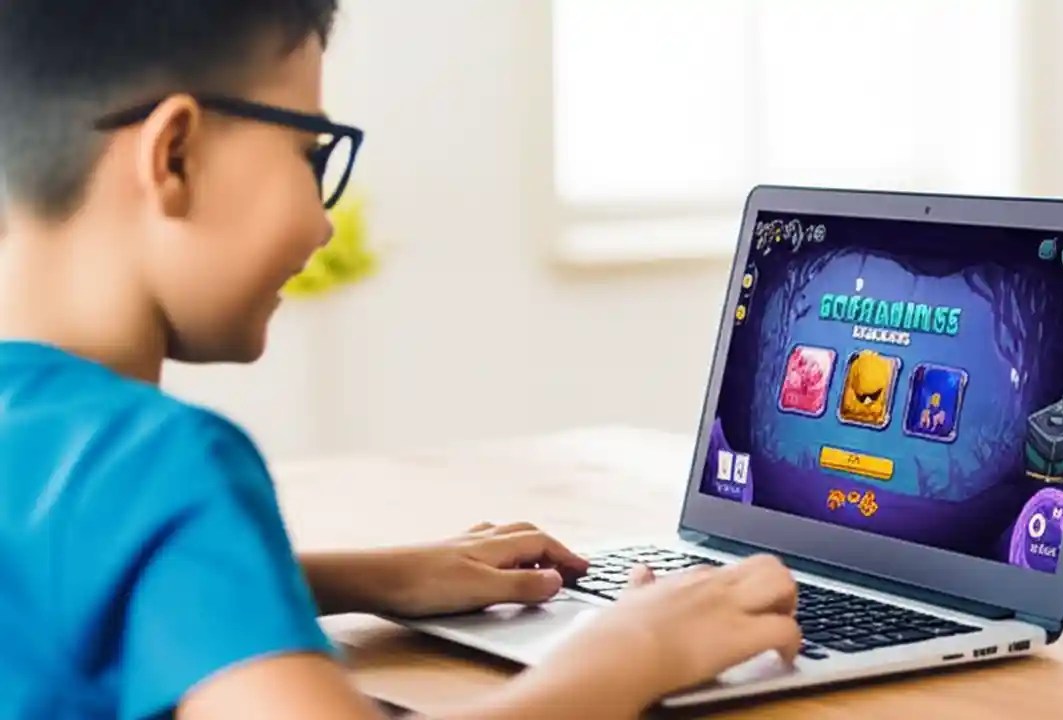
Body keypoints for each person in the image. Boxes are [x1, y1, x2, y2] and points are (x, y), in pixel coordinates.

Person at [0, 2, 801, 718]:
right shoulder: (162, 463)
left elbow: (56, 575)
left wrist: (367, 576)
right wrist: (629, 655)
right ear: (174, 155)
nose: (320, 226)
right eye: (311, 157)